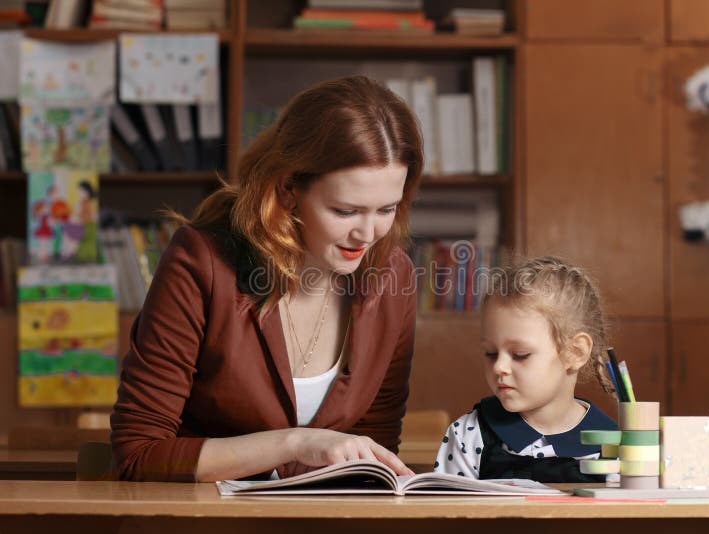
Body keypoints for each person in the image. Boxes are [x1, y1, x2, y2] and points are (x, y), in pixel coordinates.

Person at [111, 76, 423, 482]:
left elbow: (374, 451)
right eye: (346, 211)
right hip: (199, 513)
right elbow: (139, 454)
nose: (367, 234)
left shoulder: (393, 276)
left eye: (386, 209)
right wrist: (293, 444)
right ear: (289, 189)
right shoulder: (201, 262)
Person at [434, 257, 618, 482]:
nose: (499, 367)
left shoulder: (616, 446)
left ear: (575, 352)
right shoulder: (468, 436)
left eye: (520, 354)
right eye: (491, 353)